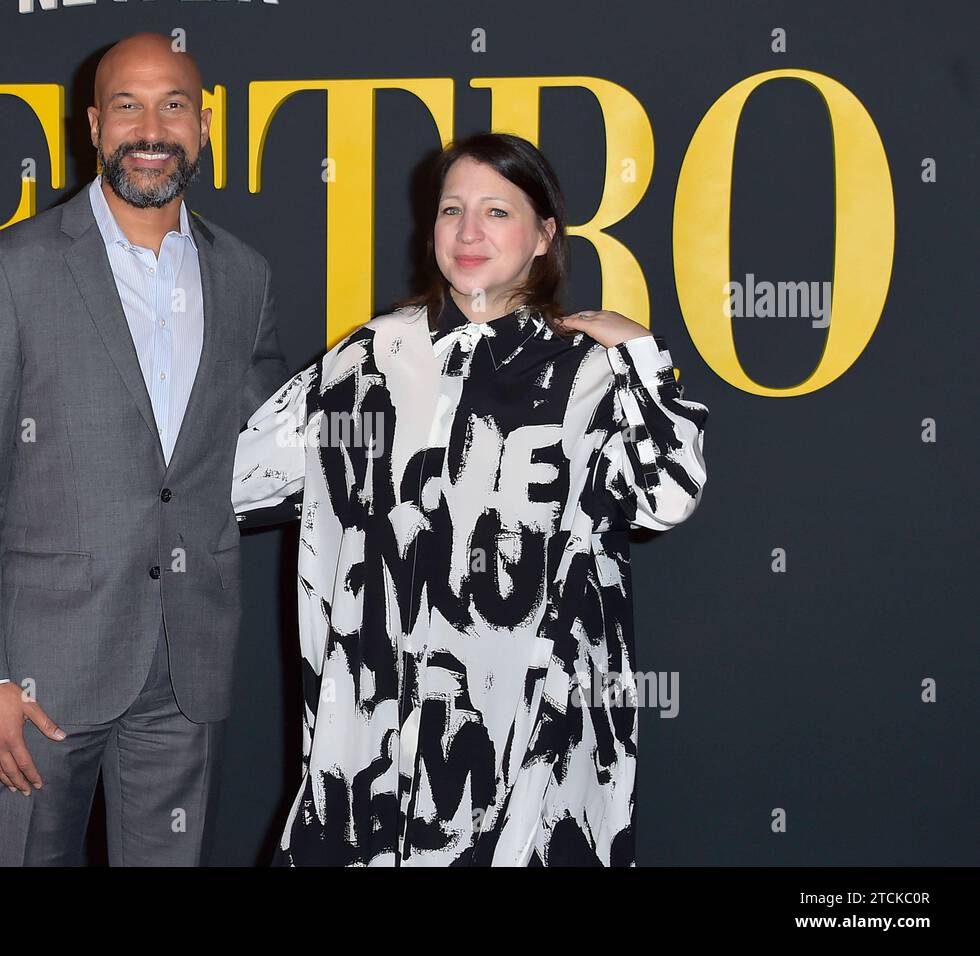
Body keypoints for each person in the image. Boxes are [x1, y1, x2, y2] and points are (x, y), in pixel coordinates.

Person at [232, 132, 709, 865]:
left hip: (535, 742)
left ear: (545, 235)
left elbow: (666, 498)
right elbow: (231, 479)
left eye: (497, 211)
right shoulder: (370, 358)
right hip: (377, 737)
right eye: (452, 210)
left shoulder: (588, 372)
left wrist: (643, 356)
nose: (469, 231)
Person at [0, 32, 289, 865]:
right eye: (127, 105)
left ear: (204, 127)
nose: (150, 127)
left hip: (186, 668)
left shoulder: (244, 276)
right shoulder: (10, 268)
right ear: (93, 125)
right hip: (39, 673)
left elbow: (268, 445)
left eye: (173, 106)